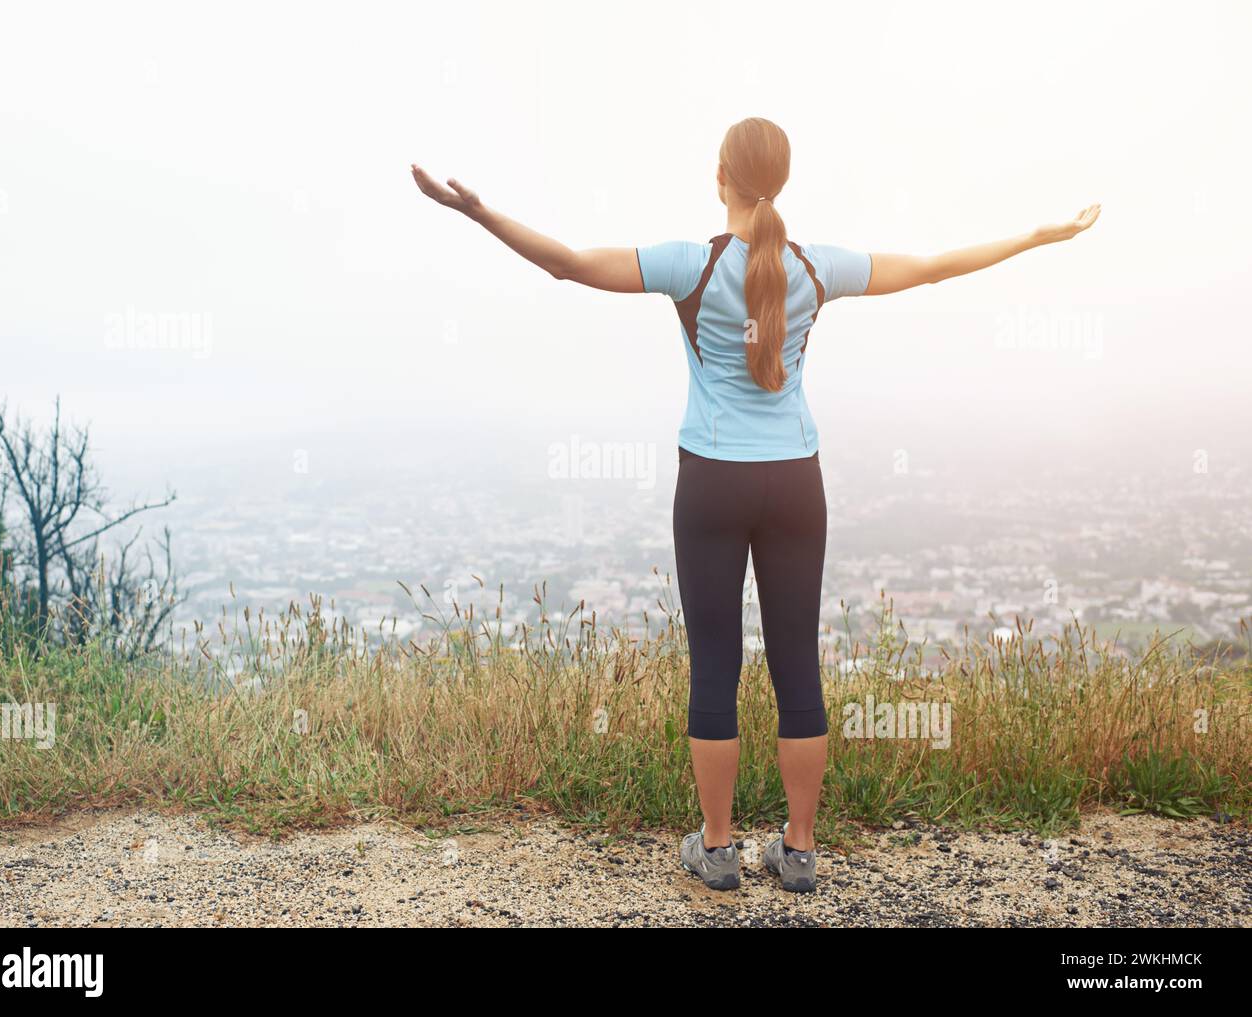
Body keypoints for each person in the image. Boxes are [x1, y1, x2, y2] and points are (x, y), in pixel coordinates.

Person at [412, 116, 1099, 893]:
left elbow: (568, 265)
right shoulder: (816, 267)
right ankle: (799, 851)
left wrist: (478, 213)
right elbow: (936, 267)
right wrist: (1040, 235)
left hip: (711, 479)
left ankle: (718, 847)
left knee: (715, 664)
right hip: (796, 483)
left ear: (721, 177)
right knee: (796, 662)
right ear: (782, 180)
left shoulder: (690, 264)